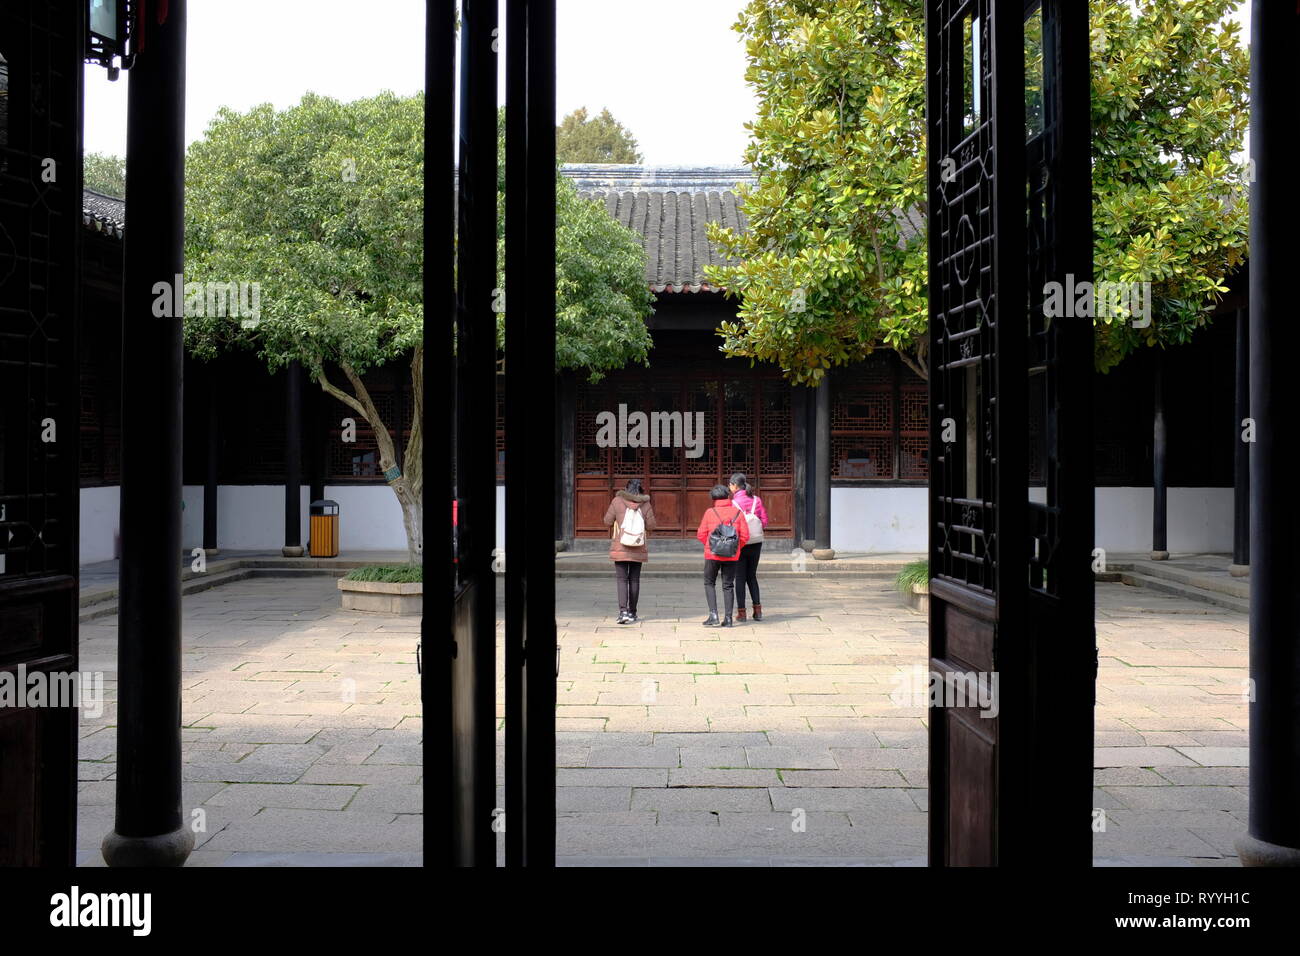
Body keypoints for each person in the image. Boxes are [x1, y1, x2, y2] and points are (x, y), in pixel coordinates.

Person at [695, 483, 750, 627]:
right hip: (731, 555)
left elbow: (701, 534)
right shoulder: (737, 512)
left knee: (709, 582)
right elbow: (745, 536)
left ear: (713, 498)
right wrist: (734, 548)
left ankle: (713, 615)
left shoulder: (709, 512)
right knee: (728, 585)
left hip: (712, 554)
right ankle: (729, 618)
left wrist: (711, 545)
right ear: (728, 496)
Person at [602, 478, 656, 624]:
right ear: (641, 489)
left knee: (621, 579)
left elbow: (607, 521)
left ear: (626, 489)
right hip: (638, 546)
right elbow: (651, 525)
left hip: (621, 546)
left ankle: (623, 612)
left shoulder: (617, 501)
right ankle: (633, 612)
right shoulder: (645, 504)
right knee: (634, 579)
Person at [729, 473, 768, 621]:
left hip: (741, 542)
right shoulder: (756, 500)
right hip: (756, 542)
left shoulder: (733, 503)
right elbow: (764, 521)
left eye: (730, 485)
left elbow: (731, 524)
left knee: (739, 578)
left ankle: (742, 613)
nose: (729, 487)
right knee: (752, 576)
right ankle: (758, 611)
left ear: (735, 485)